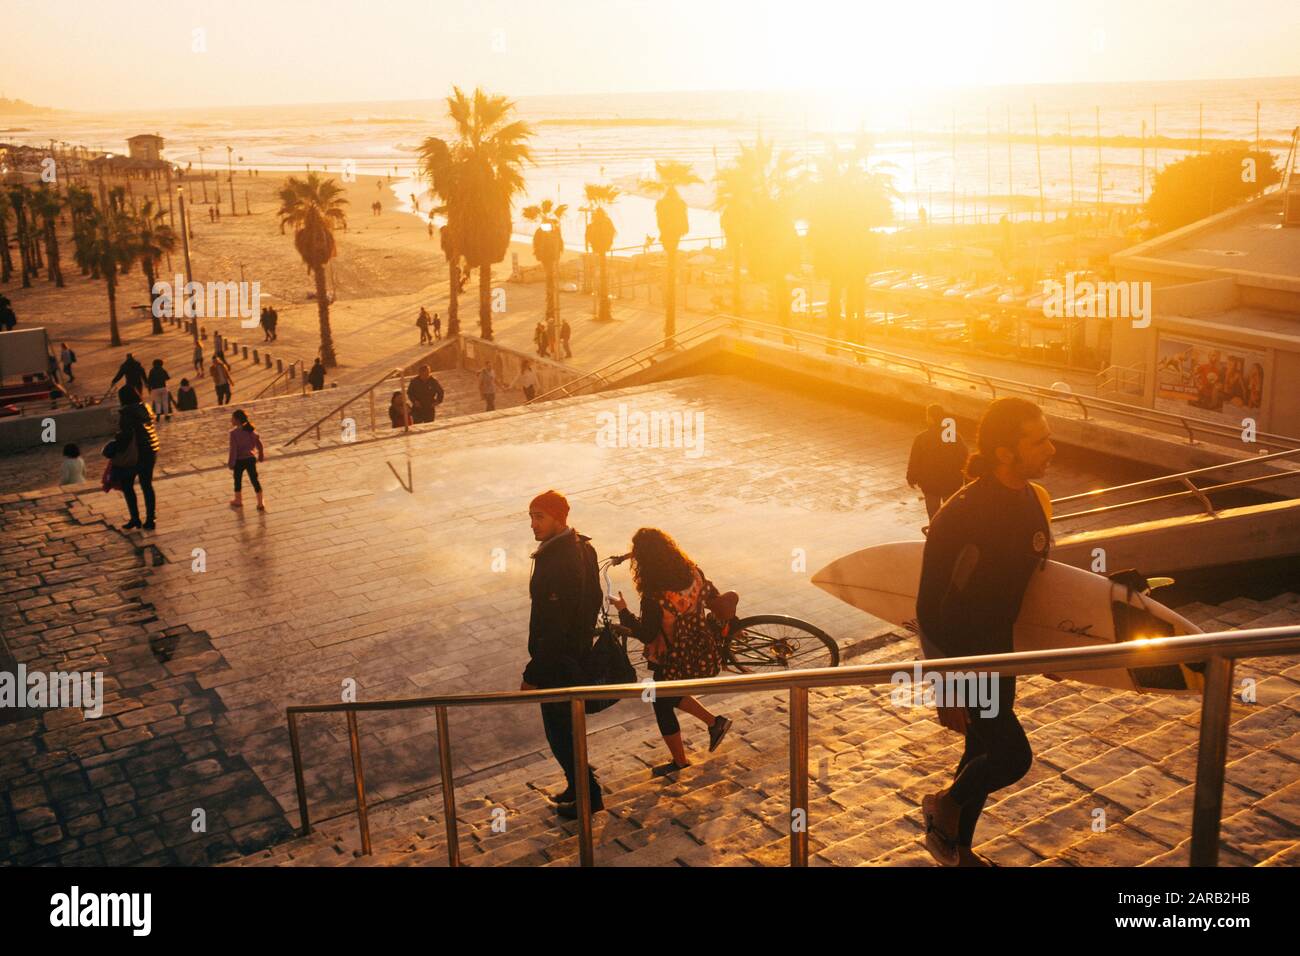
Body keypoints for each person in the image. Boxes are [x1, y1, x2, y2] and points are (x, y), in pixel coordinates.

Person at [915, 397, 1055, 868]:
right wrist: (947, 687)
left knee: (980, 751)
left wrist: (1053, 648)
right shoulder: (962, 512)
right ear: (1003, 452)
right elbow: (929, 606)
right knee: (1013, 756)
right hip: (966, 656)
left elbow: (1036, 583)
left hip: (1003, 655)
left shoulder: (1034, 500)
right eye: (1038, 441)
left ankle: (957, 849)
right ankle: (944, 807)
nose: (1051, 448)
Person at [609, 527, 732, 778]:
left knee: (661, 702)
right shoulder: (694, 574)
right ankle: (714, 724)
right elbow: (713, 597)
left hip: (672, 657)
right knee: (668, 695)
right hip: (701, 649)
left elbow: (645, 633)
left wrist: (623, 609)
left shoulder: (655, 597)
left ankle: (680, 761)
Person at [521, 490, 604, 818]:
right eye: (530, 516)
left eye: (539, 516)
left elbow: (553, 626)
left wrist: (533, 673)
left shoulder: (558, 559)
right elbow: (595, 598)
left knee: (559, 731)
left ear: (560, 517)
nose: (532, 524)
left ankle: (589, 795)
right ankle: (578, 785)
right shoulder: (584, 547)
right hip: (575, 655)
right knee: (569, 726)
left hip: (557, 663)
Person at [108, 385, 160, 530]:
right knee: (146, 485)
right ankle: (150, 519)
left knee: (127, 484)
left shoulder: (127, 413)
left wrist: (115, 442)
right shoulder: (145, 408)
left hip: (135, 453)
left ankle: (135, 518)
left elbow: (126, 436)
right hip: (151, 450)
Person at [906, 404, 969, 519]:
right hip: (951, 483)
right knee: (950, 515)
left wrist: (911, 477)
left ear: (930, 418)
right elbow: (965, 459)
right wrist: (967, 481)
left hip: (930, 484)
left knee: (933, 515)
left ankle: (934, 534)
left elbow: (915, 460)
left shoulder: (922, 438)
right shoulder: (954, 437)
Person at [227, 408, 266, 511]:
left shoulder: (234, 433)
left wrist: (231, 463)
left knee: (237, 480)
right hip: (250, 459)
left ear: (237, 420)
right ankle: (260, 502)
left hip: (239, 461)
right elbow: (259, 442)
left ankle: (238, 500)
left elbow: (233, 450)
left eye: (233, 419)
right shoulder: (250, 430)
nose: (231, 420)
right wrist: (261, 454)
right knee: (254, 480)